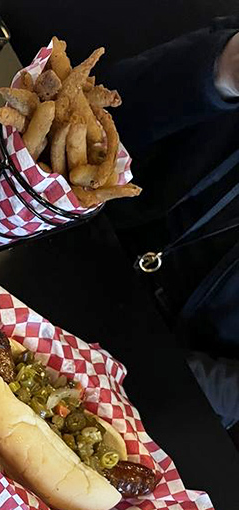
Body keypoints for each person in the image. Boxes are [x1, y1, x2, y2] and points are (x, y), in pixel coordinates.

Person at [104, 19, 239, 428]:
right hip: (70, 238)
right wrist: (220, 72)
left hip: (166, 380)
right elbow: (99, 112)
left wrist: (145, 370)